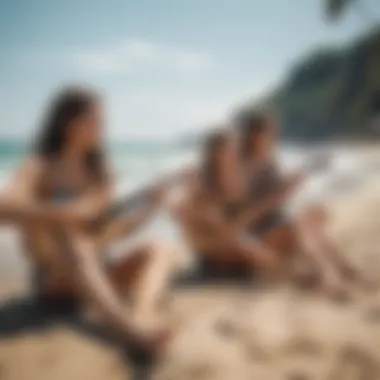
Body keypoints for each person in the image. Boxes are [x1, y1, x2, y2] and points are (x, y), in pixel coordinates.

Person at [0, 87, 177, 353]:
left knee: (160, 248)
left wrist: (151, 208)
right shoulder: (40, 166)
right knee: (70, 236)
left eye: (103, 121)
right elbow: (5, 209)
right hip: (54, 281)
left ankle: (141, 314)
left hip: (97, 275)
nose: (102, 128)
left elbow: (112, 233)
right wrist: (65, 213)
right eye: (95, 120)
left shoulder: (102, 173)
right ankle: (128, 329)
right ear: (68, 122)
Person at [236, 111, 362, 296]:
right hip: (259, 233)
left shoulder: (268, 161)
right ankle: (328, 277)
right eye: (271, 132)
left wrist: (292, 184)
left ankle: (342, 267)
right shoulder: (243, 167)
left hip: (277, 221)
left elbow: (280, 198)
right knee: (300, 224)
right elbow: (250, 212)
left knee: (315, 214)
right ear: (256, 136)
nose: (275, 136)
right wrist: (281, 193)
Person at [172, 129, 281, 282]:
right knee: (241, 242)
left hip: (241, 248)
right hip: (216, 256)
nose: (228, 156)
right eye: (223, 152)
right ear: (211, 155)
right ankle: (287, 271)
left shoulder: (240, 183)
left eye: (231, 151)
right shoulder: (200, 185)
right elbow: (189, 228)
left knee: (284, 232)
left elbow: (242, 223)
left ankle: (290, 271)